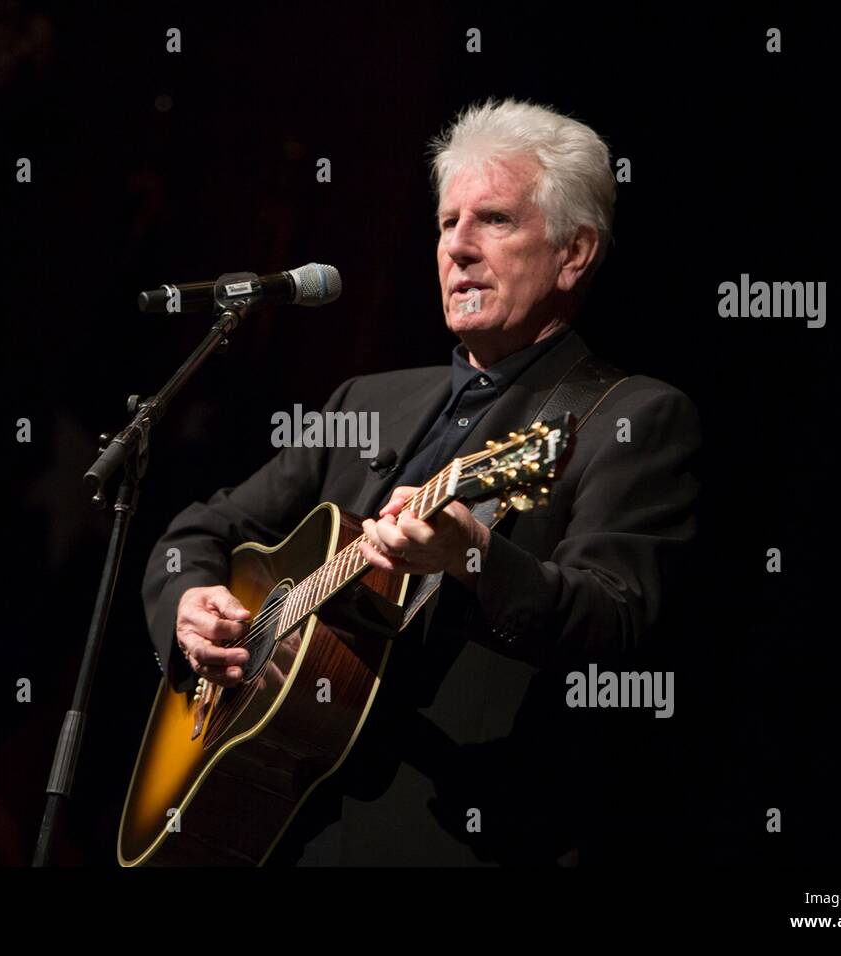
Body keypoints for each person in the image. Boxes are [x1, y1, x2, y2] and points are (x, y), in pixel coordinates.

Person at [141, 97, 702, 865]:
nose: (458, 249)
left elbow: (618, 627)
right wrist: (187, 608)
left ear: (575, 253)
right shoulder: (366, 401)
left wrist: (472, 555)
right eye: (446, 224)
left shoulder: (628, 417)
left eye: (495, 221)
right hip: (278, 824)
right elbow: (202, 531)